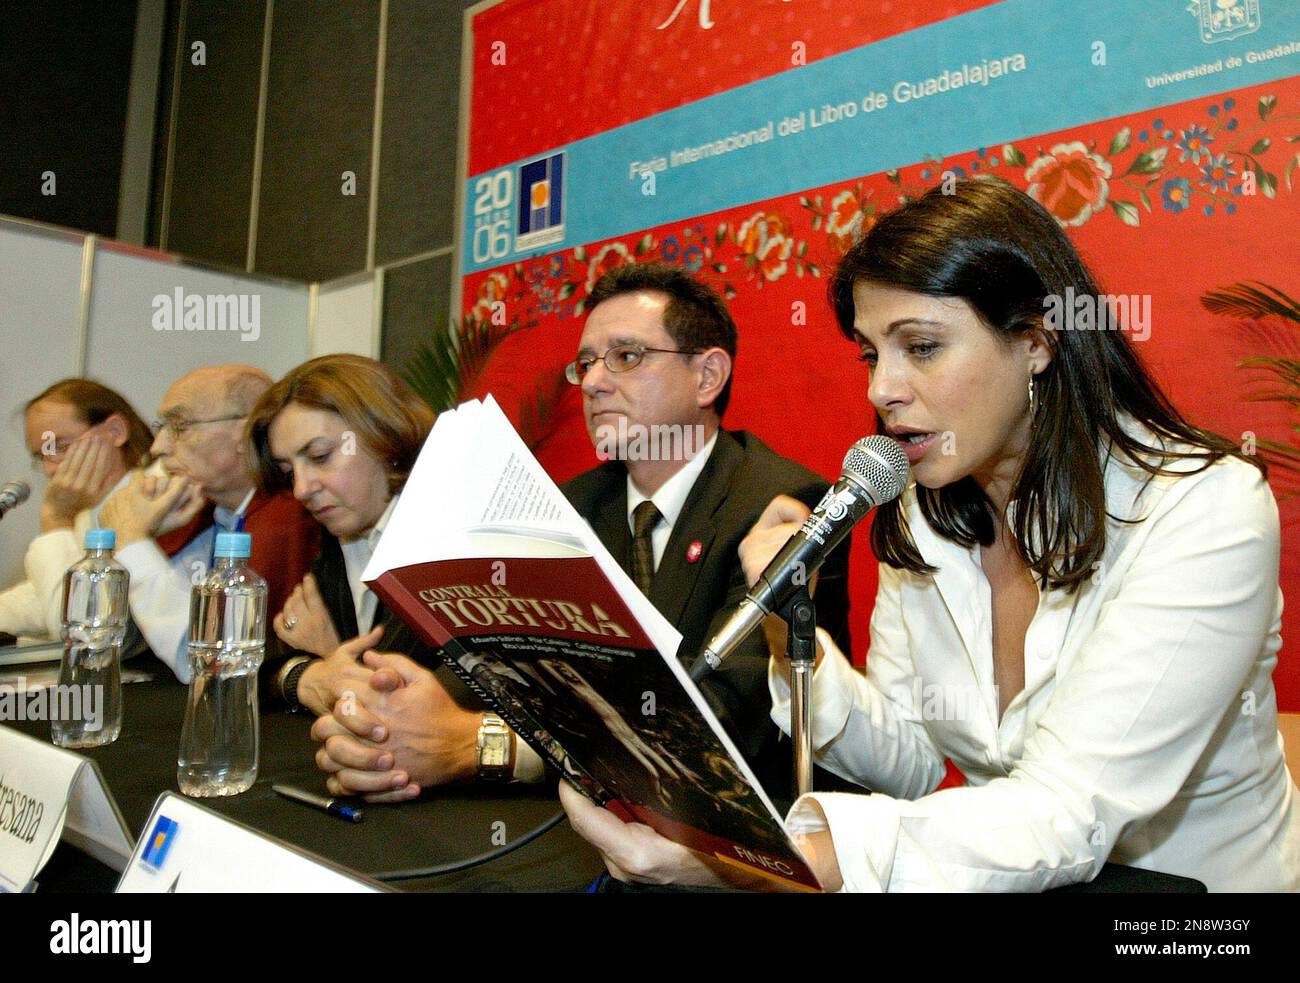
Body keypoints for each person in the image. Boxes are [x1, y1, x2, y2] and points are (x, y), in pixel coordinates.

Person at [560, 180, 1300, 893]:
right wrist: (794, 638)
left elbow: (1067, 811)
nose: (882, 388)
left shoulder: (1204, 509)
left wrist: (765, 861)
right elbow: (912, 759)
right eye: (871, 353)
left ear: (1038, 339)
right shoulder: (924, 512)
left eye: (921, 346)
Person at [308, 263, 853, 804]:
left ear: (707, 377)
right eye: (587, 362)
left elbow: (724, 720)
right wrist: (392, 720)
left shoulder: (785, 506)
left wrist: (479, 746)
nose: (592, 382)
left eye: (626, 357)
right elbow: (507, 663)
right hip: (587, 817)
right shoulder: (568, 505)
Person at [247, 355, 479, 725]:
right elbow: (254, 671)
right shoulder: (336, 532)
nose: (302, 489)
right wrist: (308, 677)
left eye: (321, 456)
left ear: (384, 435)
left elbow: (414, 707)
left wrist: (329, 655)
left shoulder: (458, 540)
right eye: (289, 471)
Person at [96, 364, 318, 681]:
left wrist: (132, 542)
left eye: (179, 425)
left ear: (249, 429)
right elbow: (115, 641)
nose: (158, 446)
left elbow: (217, 660)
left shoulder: (293, 518)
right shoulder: (197, 515)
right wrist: (145, 537)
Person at [0, 379, 153, 638]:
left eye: (61, 447)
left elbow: (80, 628)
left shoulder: (157, 504)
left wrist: (55, 517)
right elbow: (42, 598)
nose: (50, 469)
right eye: (41, 456)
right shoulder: (87, 513)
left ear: (116, 431)